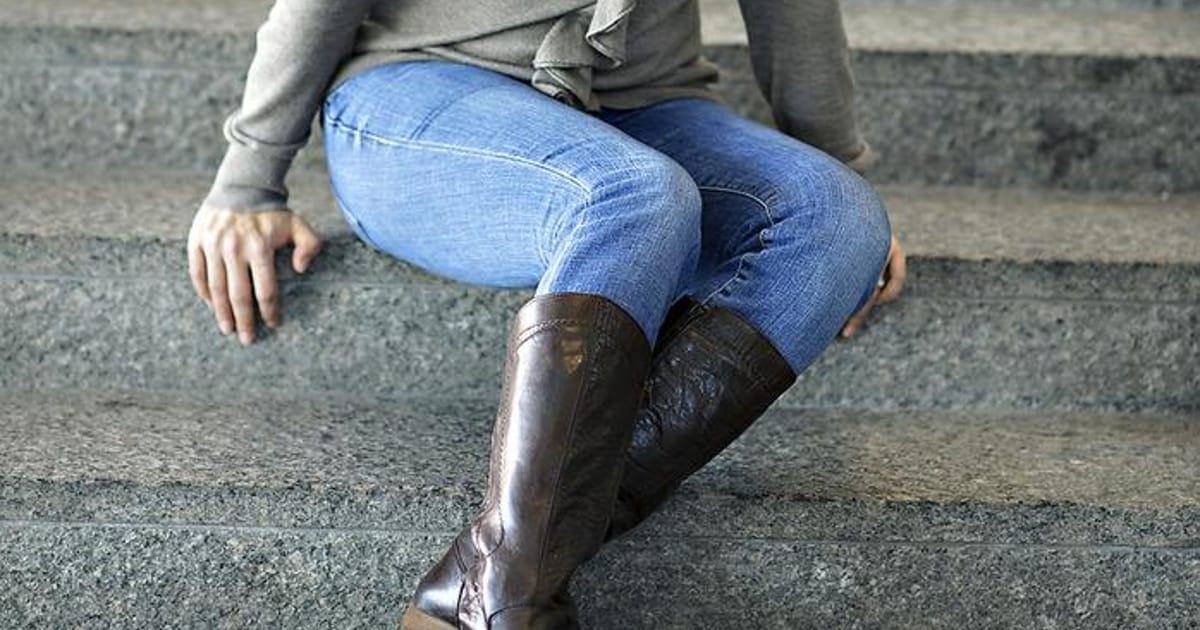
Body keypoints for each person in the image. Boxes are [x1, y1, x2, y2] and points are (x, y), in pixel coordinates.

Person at [187, 0, 906, 628]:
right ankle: (509, 603)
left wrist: (833, 160)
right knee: (636, 197)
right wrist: (249, 181)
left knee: (837, 219)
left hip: (644, 102)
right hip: (418, 90)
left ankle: (491, 581)